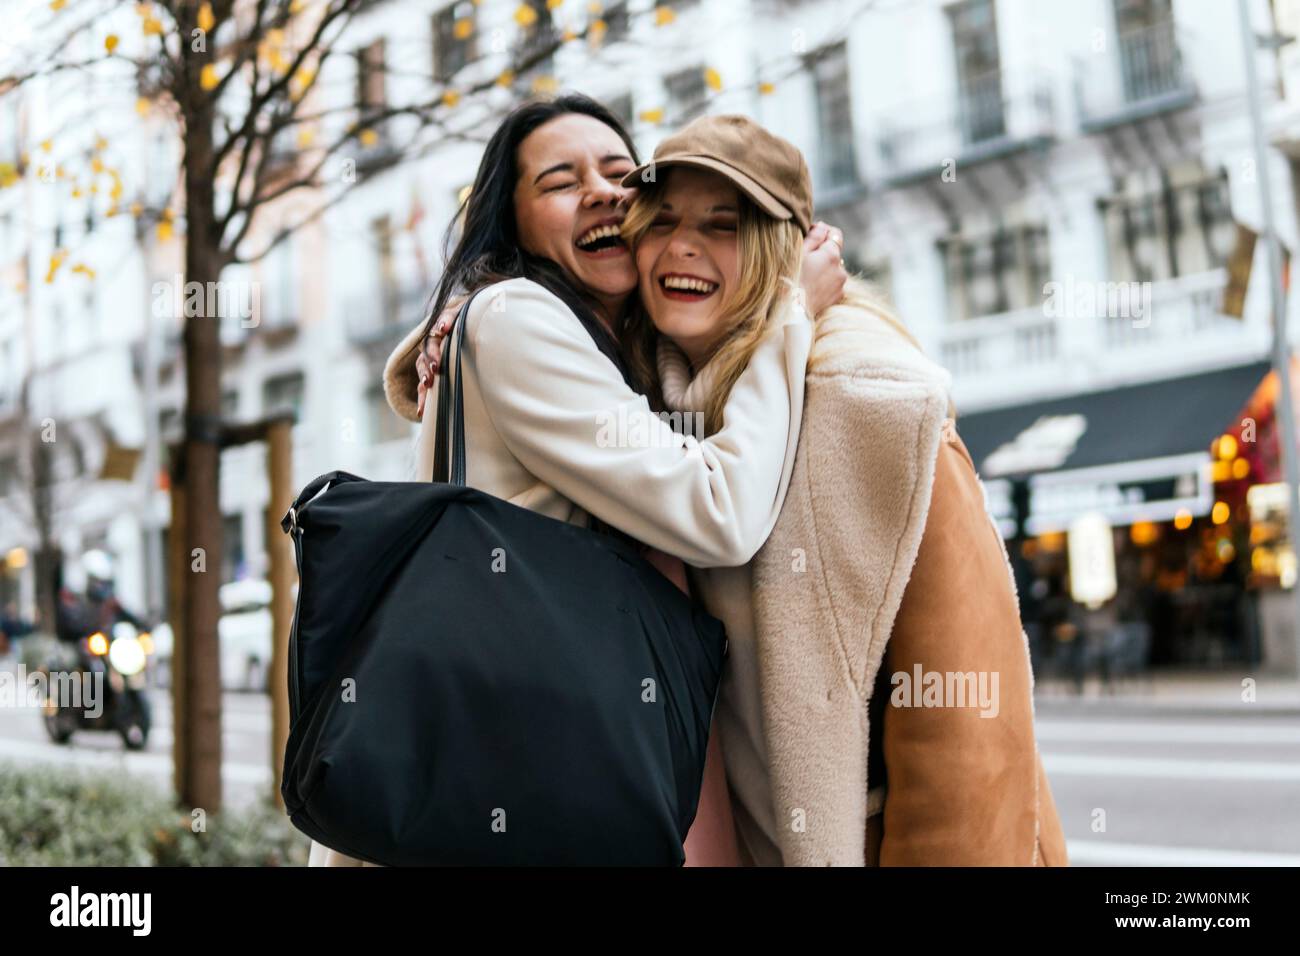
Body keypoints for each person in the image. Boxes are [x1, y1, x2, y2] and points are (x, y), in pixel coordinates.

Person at [315, 94, 847, 868]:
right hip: (513, 763)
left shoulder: (596, 333)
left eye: (619, 173)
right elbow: (718, 512)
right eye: (560, 181)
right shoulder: (515, 319)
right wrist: (789, 315)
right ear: (516, 225)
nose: (601, 191)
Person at [607, 114, 1068, 865]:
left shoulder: (872, 403)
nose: (682, 246)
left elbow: (966, 726)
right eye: (661, 221)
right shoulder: (647, 408)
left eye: (723, 225)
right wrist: (466, 317)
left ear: (780, 253)